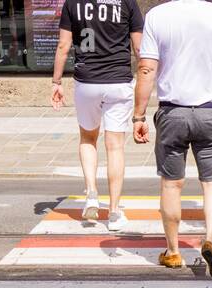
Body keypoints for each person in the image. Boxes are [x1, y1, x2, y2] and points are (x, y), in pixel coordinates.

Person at [132, 0, 212, 280]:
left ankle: (172, 251)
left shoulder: (157, 15)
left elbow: (146, 69)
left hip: (172, 112)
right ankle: (210, 241)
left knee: (171, 184)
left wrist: (139, 115)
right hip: (211, 111)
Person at [51, 0, 144, 232]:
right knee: (115, 147)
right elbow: (139, 49)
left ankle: (91, 193)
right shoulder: (126, 3)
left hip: (86, 81)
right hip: (119, 81)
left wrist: (56, 81)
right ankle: (113, 212)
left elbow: (64, 45)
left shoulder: (73, 3)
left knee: (87, 138)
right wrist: (146, 80)